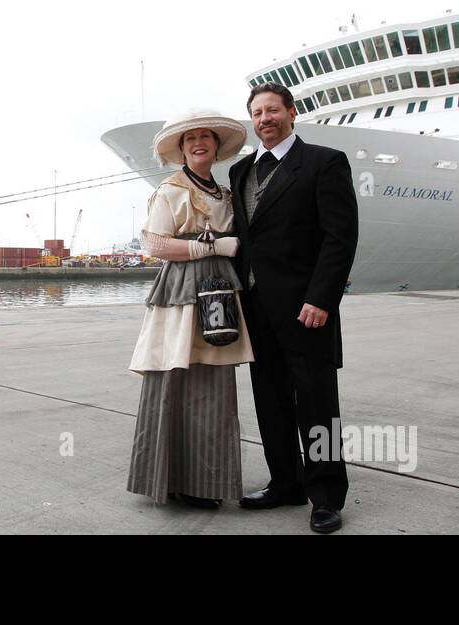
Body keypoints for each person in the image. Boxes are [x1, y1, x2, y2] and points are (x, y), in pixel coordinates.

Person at [228, 81, 359, 533]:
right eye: (257, 112)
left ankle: (325, 497)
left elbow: (339, 238)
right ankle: (285, 482)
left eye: (272, 110)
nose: (265, 119)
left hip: (307, 309)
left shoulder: (324, 163)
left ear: (291, 112)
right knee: (271, 400)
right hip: (256, 309)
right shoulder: (240, 173)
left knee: (318, 404)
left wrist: (322, 298)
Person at [127, 109, 254, 508]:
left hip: (219, 287)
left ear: (216, 146)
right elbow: (156, 245)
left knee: (213, 383)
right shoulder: (170, 190)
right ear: (181, 149)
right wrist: (214, 246)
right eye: (190, 139)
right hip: (182, 290)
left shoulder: (225, 193)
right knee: (177, 374)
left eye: (206, 137)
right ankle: (174, 479)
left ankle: (206, 481)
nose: (199, 142)